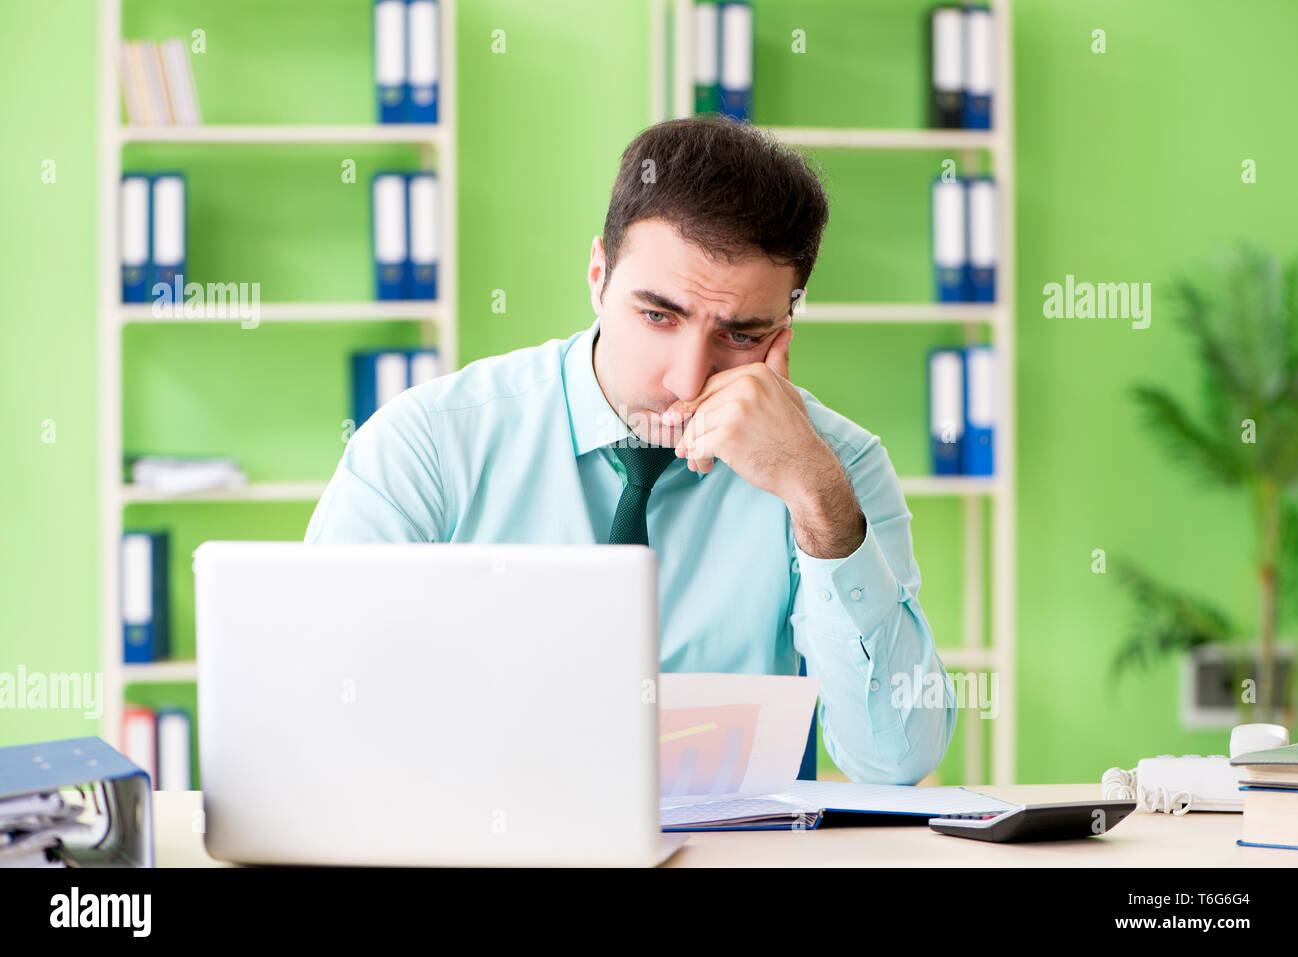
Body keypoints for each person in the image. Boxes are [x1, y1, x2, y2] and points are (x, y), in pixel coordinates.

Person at [306, 114, 957, 784]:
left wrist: (819, 505)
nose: (686, 376)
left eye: (740, 335)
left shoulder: (833, 470)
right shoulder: (431, 444)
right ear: (598, 275)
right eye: (658, 315)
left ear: (783, 330)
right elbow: (318, 701)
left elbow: (894, 759)